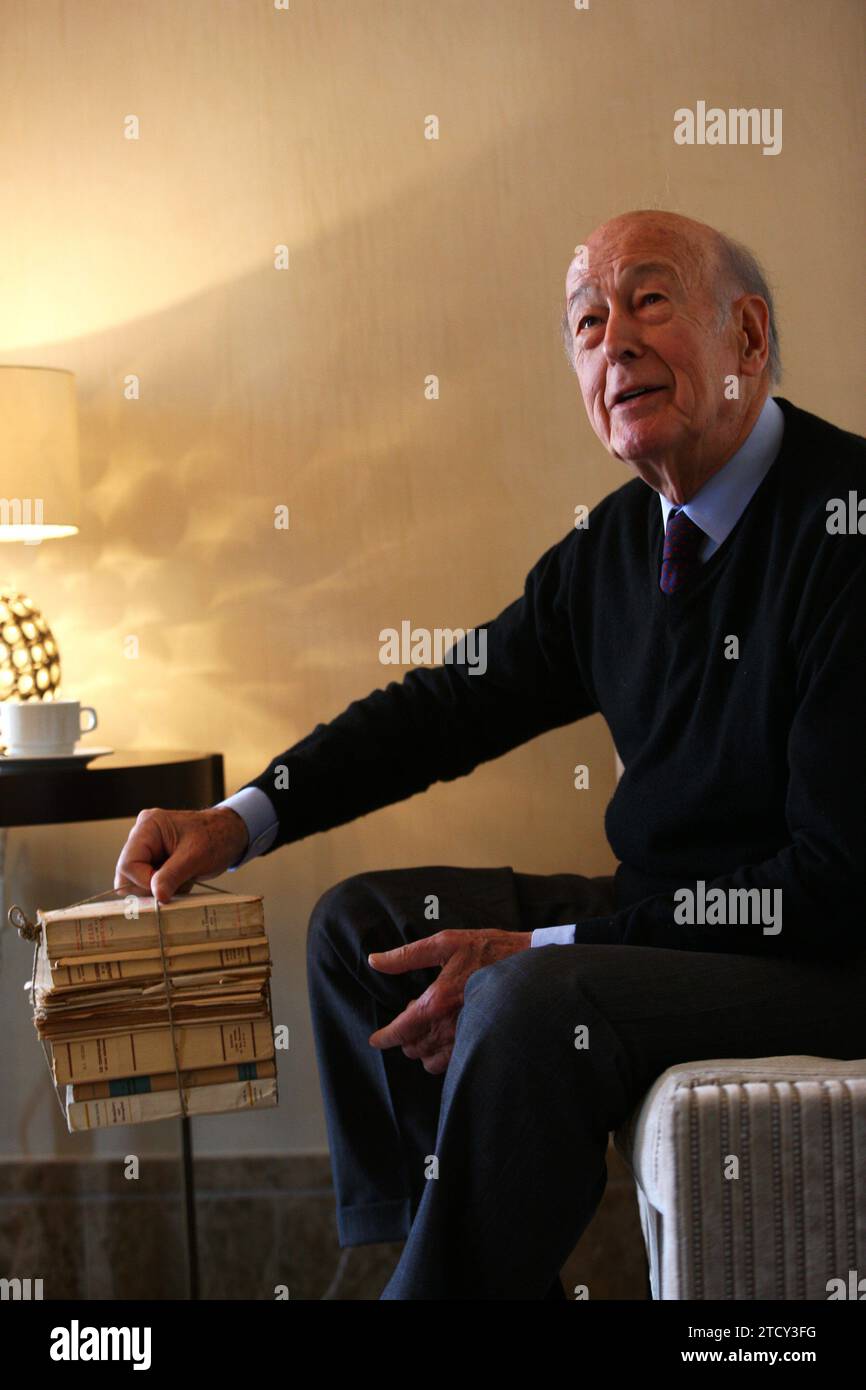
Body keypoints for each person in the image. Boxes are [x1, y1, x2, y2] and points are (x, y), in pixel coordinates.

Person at [114, 210, 866, 1300]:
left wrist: (547, 940)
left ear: (745, 338)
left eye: (648, 301)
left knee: (525, 994)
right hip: (671, 918)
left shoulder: (843, 526)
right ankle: (401, 1264)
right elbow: (439, 708)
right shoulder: (615, 545)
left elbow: (833, 884)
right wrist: (241, 816)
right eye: (585, 321)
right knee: (360, 930)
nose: (613, 341)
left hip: (822, 955)